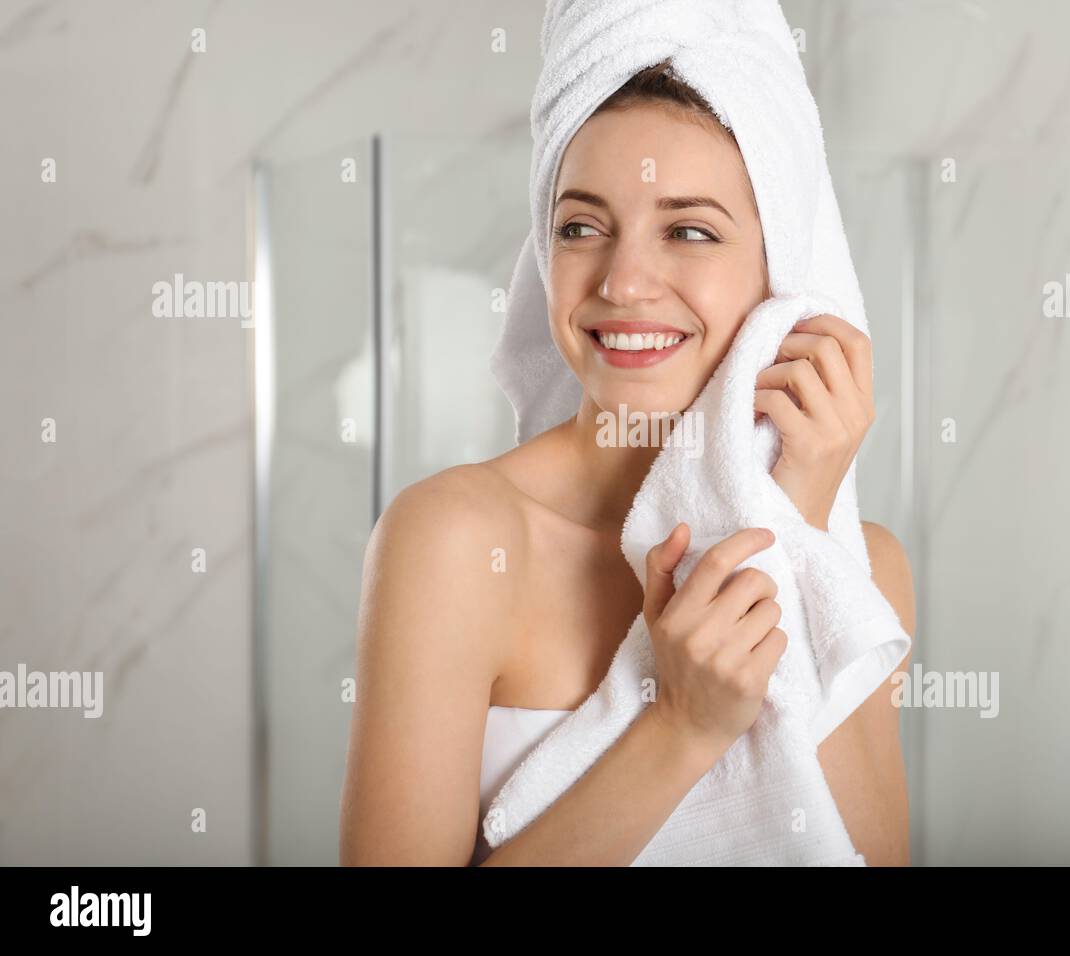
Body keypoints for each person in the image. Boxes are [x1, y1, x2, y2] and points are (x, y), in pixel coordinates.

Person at [338, 61, 915, 867]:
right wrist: (681, 729)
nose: (623, 281)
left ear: (782, 275)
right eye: (581, 227)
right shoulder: (455, 541)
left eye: (688, 230)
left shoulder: (866, 565)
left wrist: (798, 545)